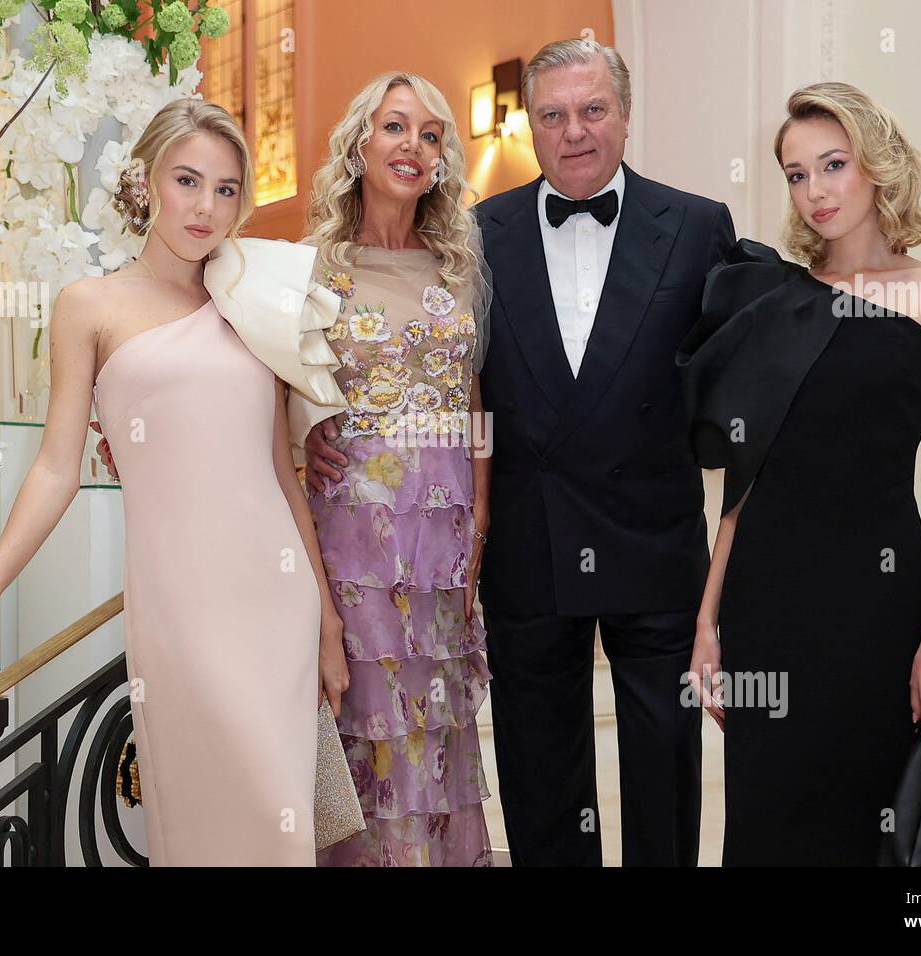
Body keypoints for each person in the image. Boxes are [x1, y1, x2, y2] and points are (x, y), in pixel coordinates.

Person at [306, 39, 737, 867]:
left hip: (654, 545)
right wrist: (312, 423)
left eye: (592, 110)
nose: (574, 131)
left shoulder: (697, 225)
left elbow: (736, 371)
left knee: (664, 775)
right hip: (527, 548)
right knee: (541, 782)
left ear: (624, 113)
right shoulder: (475, 237)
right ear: (529, 125)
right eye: (553, 114)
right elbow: (460, 384)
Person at [0, 99, 348, 866]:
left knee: (279, 825)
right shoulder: (91, 306)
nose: (207, 206)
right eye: (188, 180)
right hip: (181, 608)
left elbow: (281, 470)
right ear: (146, 183)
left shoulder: (249, 304)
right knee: (209, 816)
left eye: (227, 188)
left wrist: (328, 622)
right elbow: (56, 466)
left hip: (276, 600)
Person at [679, 82, 921, 865]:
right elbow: (746, 479)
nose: (813, 191)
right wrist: (707, 625)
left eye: (832, 165)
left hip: (876, 606)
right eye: (794, 173)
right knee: (768, 818)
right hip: (768, 602)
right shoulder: (776, 299)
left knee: (871, 816)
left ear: (876, 167)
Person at [294, 72, 495, 867]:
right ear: (360, 143)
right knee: (365, 719)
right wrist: (302, 430)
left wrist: (482, 510)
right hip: (353, 535)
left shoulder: (459, 266)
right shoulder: (310, 267)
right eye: (394, 127)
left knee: (434, 725)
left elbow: (475, 396)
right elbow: (274, 389)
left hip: (445, 539)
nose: (412, 146)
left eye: (431, 134)